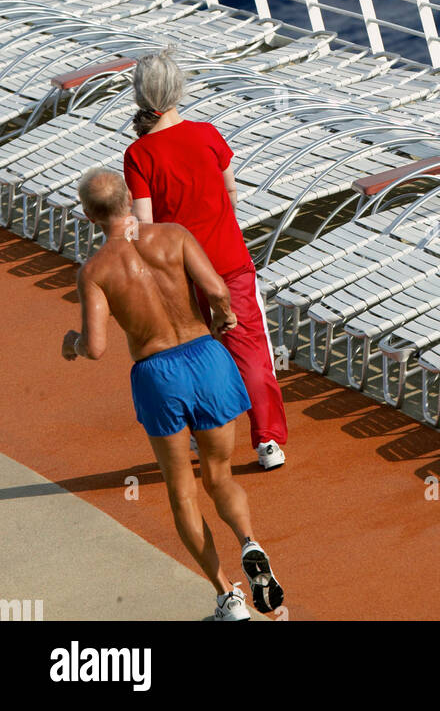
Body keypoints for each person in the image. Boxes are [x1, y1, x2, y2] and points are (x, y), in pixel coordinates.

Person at [62, 168, 284, 622]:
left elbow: (97, 346)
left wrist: (72, 343)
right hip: (206, 358)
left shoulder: (96, 271)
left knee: (182, 493)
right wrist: (222, 316)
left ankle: (228, 598)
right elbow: (219, 289)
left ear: (88, 216)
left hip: (157, 373)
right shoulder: (173, 235)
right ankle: (249, 541)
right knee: (219, 474)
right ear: (128, 198)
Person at [122, 51, 288, 470]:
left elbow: (145, 224)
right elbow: (230, 197)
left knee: (191, 353)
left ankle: (202, 434)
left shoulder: (139, 155)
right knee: (250, 350)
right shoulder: (208, 134)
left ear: (141, 94)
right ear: (179, 90)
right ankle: (267, 441)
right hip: (228, 261)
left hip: (177, 274)